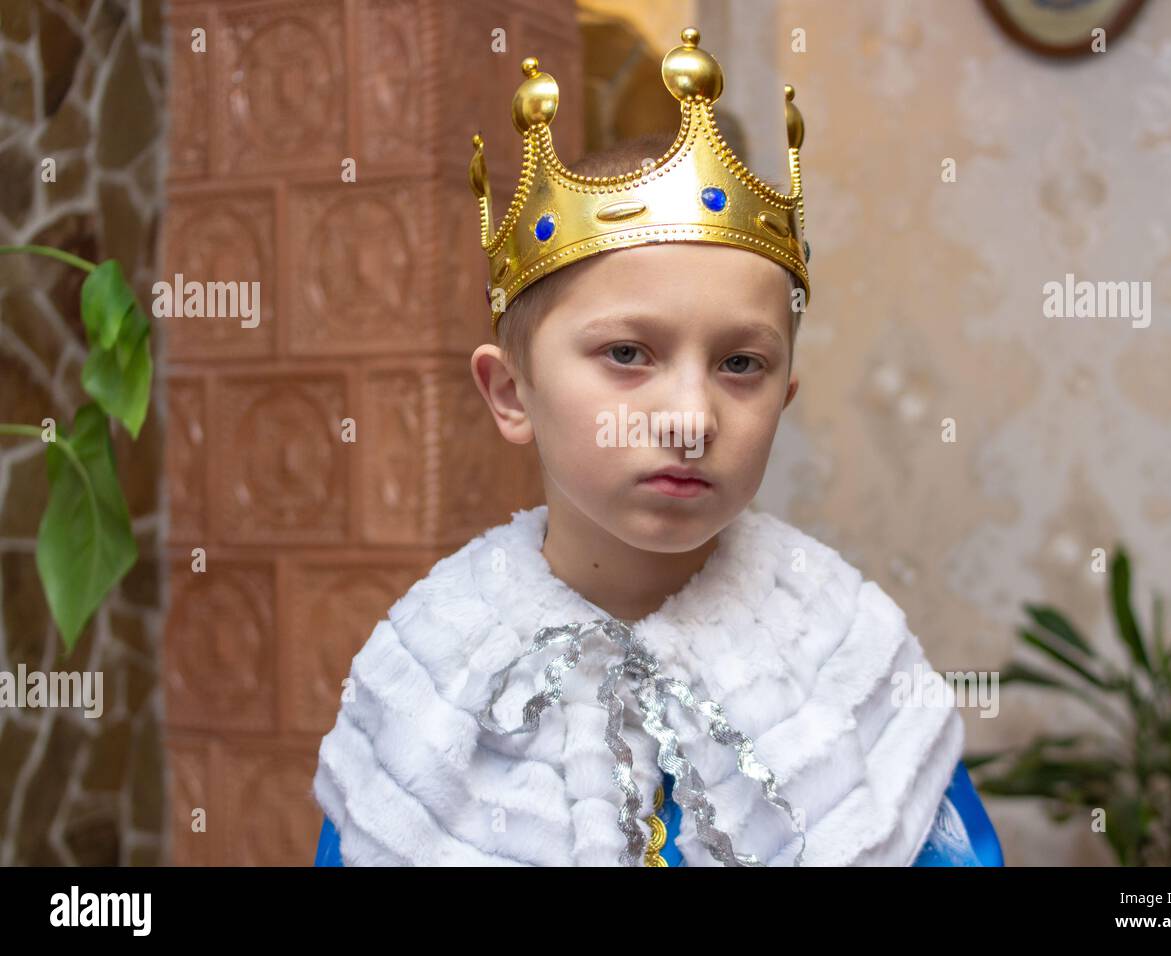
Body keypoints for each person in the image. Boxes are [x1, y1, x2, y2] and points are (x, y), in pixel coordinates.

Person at [312, 26, 1003, 868]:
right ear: (509, 392)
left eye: (740, 364)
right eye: (628, 355)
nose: (690, 418)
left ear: (784, 399)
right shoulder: (428, 674)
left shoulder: (847, 658)